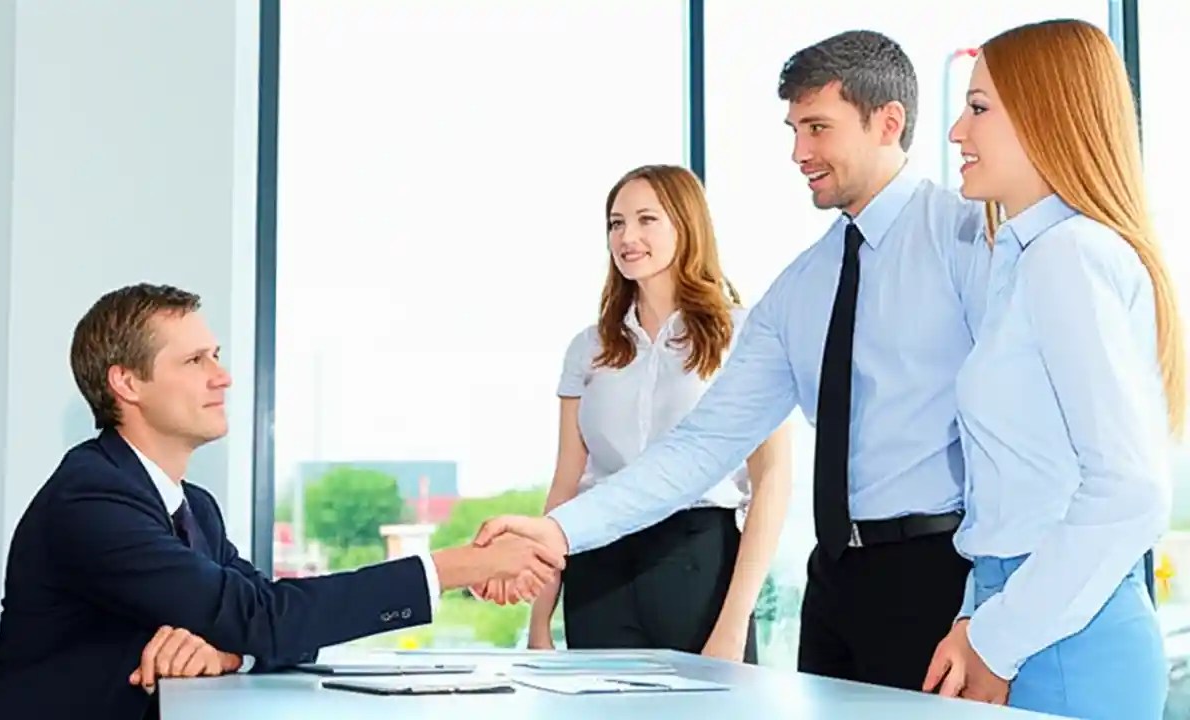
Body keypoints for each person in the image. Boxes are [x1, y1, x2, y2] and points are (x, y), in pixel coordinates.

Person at [474, 30, 988, 691]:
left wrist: (989, 603)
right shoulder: (801, 288)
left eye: (817, 128)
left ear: (887, 123)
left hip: (943, 572)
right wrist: (558, 532)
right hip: (834, 578)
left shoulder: (968, 241)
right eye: (793, 129)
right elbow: (702, 446)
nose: (799, 153)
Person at [0, 283, 563, 720]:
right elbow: (270, 616)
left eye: (215, 355)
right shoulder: (92, 498)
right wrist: (460, 567)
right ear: (126, 383)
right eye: (194, 360)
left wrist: (230, 648)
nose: (223, 375)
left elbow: (276, 621)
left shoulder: (193, 507)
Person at [922, 19, 1182, 718]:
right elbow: (1012, 496)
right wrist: (977, 619)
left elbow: (1129, 490)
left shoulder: (1069, 256)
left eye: (978, 109)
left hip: (1065, 641)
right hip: (1029, 618)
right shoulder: (1029, 261)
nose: (956, 133)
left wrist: (995, 638)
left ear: (1047, 114)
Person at [522, 165, 792, 663]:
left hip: (698, 562)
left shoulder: (744, 335)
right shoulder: (589, 348)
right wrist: (539, 619)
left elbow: (771, 481)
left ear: (686, 227)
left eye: (647, 220)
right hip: (598, 568)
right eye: (616, 223)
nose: (627, 237)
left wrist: (733, 624)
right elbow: (566, 483)